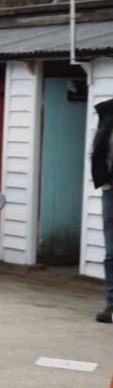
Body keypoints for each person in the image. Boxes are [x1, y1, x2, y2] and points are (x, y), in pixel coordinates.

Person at [91, 98, 113, 323]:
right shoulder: (108, 112)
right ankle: (112, 303)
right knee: (111, 251)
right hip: (111, 191)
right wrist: (105, 181)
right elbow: (98, 151)